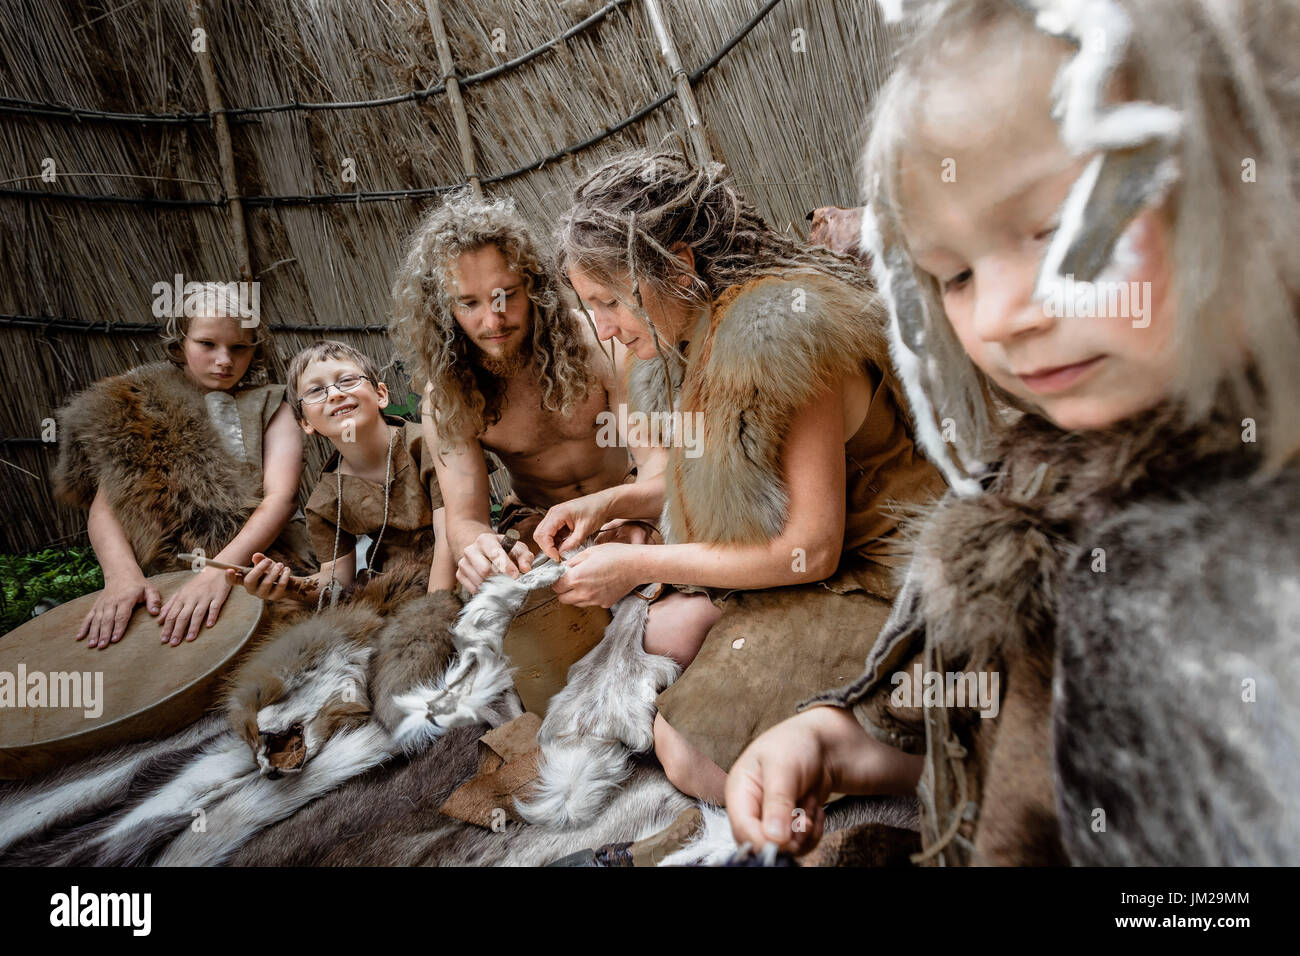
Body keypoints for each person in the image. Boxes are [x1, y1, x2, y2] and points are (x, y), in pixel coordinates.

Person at [727, 0, 1300, 865]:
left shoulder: (1255, 587)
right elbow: (978, 742)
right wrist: (828, 740)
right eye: (952, 274)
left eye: (1058, 230)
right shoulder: (1024, 476)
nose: (998, 317)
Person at [537, 148, 948, 806]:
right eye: (592, 307)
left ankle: (946, 760)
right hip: (823, 569)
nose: (606, 329)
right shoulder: (682, 345)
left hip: (888, 579)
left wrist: (631, 567)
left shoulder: (784, 336)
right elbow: (715, 476)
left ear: (676, 266)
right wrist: (610, 501)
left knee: (691, 753)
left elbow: (810, 548)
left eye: (610, 301)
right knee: (662, 635)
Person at [388, 189, 655, 595]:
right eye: (468, 303)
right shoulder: (448, 396)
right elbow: (465, 520)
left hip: (627, 499)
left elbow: (661, 469)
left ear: (534, 286)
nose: (492, 319)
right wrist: (478, 550)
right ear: (444, 310)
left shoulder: (601, 345)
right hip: (537, 524)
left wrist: (630, 513)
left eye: (506, 295)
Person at [53, 282, 312, 650]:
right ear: (179, 344)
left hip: (261, 563)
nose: (224, 360)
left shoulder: (272, 405)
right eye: (207, 344)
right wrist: (122, 577)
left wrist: (217, 574)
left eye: (239, 348)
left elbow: (280, 500)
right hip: (166, 577)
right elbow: (106, 507)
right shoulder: (140, 403)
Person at [236, 340, 447, 602]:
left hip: (457, 565)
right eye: (315, 390)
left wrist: (435, 607)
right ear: (305, 423)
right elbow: (336, 581)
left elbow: (450, 533)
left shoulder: (425, 445)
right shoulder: (328, 499)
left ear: (381, 395)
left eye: (347, 380)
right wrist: (287, 586)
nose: (334, 394)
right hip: (395, 588)